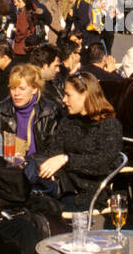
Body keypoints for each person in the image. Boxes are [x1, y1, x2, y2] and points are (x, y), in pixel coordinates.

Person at [33, 72, 124, 210]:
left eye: (68, 95)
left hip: (87, 192)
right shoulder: (69, 121)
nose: (64, 100)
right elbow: (54, 150)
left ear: (86, 95)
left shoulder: (109, 125)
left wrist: (66, 159)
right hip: (61, 184)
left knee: (40, 208)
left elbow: (103, 162)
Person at [0, 62, 61, 162]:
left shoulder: (50, 111)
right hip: (8, 168)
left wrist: (28, 161)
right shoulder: (0, 111)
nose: (16, 93)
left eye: (22, 89)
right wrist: (7, 156)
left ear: (34, 89)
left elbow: (54, 149)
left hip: (38, 168)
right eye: (13, 88)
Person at [79, 40, 127, 107]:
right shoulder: (108, 77)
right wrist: (113, 72)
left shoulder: (79, 71)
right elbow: (126, 86)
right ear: (104, 58)